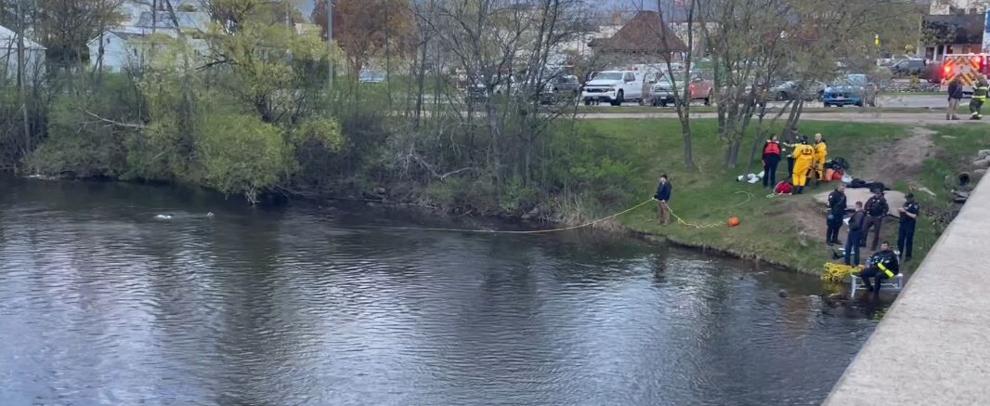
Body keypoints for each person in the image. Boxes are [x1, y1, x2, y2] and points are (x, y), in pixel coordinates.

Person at [897, 193, 920, 261]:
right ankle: (899, 254)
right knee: (900, 240)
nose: (907, 199)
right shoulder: (905, 204)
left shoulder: (915, 205)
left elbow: (915, 216)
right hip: (902, 223)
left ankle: (908, 256)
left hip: (910, 224)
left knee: (909, 241)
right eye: (906, 198)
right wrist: (900, 211)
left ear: (912, 198)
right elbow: (902, 213)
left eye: (908, 198)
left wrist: (905, 212)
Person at [845, 201, 866, 266]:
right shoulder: (858, 213)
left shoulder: (860, 214)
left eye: (855, 205)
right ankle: (847, 262)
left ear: (857, 206)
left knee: (855, 248)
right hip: (853, 232)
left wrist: (850, 226)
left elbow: (857, 224)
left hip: (856, 233)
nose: (854, 207)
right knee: (848, 247)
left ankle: (856, 263)